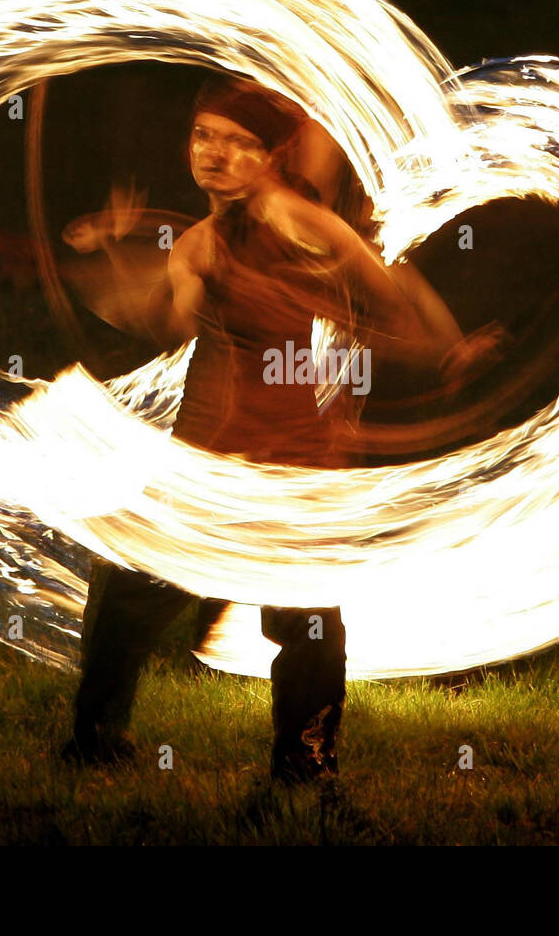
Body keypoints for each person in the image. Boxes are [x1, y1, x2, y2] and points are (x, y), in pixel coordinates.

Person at [61, 74, 502, 782]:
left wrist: (442, 351)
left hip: (292, 464)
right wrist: (116, 249)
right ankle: (97, 741)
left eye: (239, 144)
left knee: (303, 623)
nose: (214, 155)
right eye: (204, 135)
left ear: (269, 157)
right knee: (128, 588)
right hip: (210, 461)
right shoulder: (200, 243)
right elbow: (171, 324)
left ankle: (306, 762)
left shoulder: (304, 224)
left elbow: (390, 291)